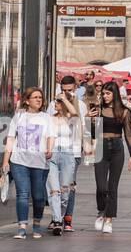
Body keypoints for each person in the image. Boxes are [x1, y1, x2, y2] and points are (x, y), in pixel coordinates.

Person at [3, 88, 54, 239]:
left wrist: (49, 150)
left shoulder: (46, 118)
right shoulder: (19, 117)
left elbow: (51, 136)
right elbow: (11, 139)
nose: (39, 100)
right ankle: (22, 227)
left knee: (38, 196)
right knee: (23, 193)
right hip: (19, 161)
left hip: (40, 162)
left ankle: (37, 224)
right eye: (35, 97)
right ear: (27, 101)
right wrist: (6, 160)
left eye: (40, 97)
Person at [89, 82, 131, 233]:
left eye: (108, 93)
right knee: (101, 187)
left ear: (115, 94)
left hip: (117, 148)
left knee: (112, 186)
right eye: (104, 93)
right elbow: (91, 133)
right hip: (101, 146)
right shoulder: (98, 110)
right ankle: (101, 210)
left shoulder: (125, 112)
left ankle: (109, 219)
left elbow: (128, 134)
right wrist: (90, 121)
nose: (105, 96)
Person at [49, 75, 86, 232]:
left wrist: (88, 150)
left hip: (74, 150)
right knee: (54, 186)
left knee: (69, 187)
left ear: (75, 89)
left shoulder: (81, 105)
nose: (66, 93)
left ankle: (68, 218)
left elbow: (85, 129)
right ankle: (56, 219)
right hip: (55, 150)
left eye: (70, 90)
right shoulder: (53, 104)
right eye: (63, 90)